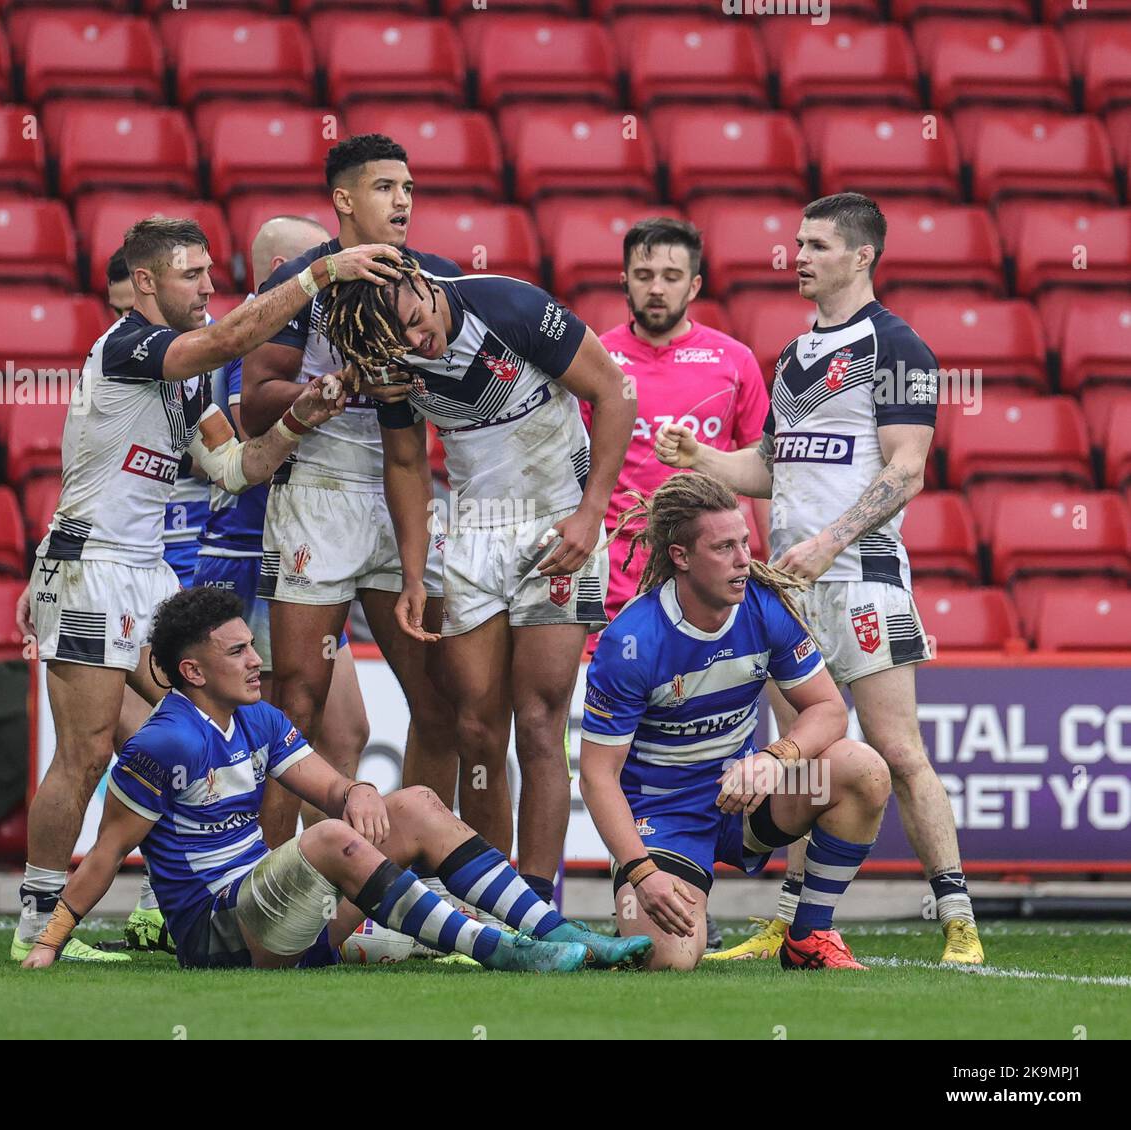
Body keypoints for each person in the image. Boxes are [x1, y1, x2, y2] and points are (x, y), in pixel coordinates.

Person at [11, 216, 400, 962]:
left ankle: (172, 893)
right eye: (191, 274)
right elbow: (227, 342)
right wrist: (318, 274)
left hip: (149, 572)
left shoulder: (187, 381)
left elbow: (238, 469)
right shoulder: (131, 346)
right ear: (149, 282)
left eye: (210, 273)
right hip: (92, 565)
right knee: (86, 751)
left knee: (202, 729)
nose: (208, 287)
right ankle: (37, 916)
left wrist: (296, 419)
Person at [656, 192, 983, 965]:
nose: (797, 257)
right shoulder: (797, 352)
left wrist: (832, 542)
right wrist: (700, 458)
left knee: (898, 749)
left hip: (862, 577)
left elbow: (908, 470)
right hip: (787, 587)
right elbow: (770, 467)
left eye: (816, 245)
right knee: (803, 753)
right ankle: (794, 920)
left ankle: (958, 917)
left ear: (861, 256)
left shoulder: (898, 347)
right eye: (797, 243)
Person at [19, 587, 654, 973]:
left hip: (284, 921)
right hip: (219, 936)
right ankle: (507, 952)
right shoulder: (165, 743)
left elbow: (328, 788)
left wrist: (358, 792)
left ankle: (561, 934)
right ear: (192, 670)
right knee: (325, 842)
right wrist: (50, 938)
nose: (256, 660)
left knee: (417, 803)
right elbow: (104, 855)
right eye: (237, 652)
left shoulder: (259, 720)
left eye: (251, 646)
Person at [322, 256, 633, 904]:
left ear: (422, 285)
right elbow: (406, 461)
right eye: (397, 340)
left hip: (557, 525)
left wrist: (590, 512)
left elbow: (613, 392)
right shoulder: (388, 359)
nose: (414, 342)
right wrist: (413, 573)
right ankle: (492, 901)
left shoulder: (510, 307)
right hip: (473, 535)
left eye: (414, 322)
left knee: (542, 719)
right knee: (476, 728)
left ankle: (541, 897)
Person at [239, 135, 460, 849]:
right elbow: (254, 402)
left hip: (408, 498)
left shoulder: (439, 279)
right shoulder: (304, 283)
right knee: (296, 701)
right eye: (386, 187)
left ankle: (418, 887)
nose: (403, 201)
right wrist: (324, 391)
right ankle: (264, 890)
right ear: (343, 199)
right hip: (319, 496)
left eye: (410, 188)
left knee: (439, 705)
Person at [578, 474, 891, 971]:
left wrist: (774, 758)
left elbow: (829, 709)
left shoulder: (764, 606)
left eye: (744, 541)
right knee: (672, 961)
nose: (745, 559)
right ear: (681, 556)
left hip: (743, 800)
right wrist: (642, 872)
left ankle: (808, 935)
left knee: (862, 768)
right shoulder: (631, 643)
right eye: (724, 547)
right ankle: (633, 914)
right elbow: (597, 777)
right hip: (664, 819)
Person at [193, 216, 371, 791]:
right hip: (252, 556)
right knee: (274, 738)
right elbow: (254, 433)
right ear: (283, 272)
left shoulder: (280, 330)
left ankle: (331, 869)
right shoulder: (253, 336)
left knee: (344, 732)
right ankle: (256, 873)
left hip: (304, 553)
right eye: (320, 264)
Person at [587, 217, 770, 624]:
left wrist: (773, 560)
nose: (656, 288)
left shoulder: (734, 359)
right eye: (643, 275)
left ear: (694, 286)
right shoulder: (595, 360)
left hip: (711, 572)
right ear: (624, 280)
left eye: (671, 277)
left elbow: (765, 469)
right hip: (615, 573)